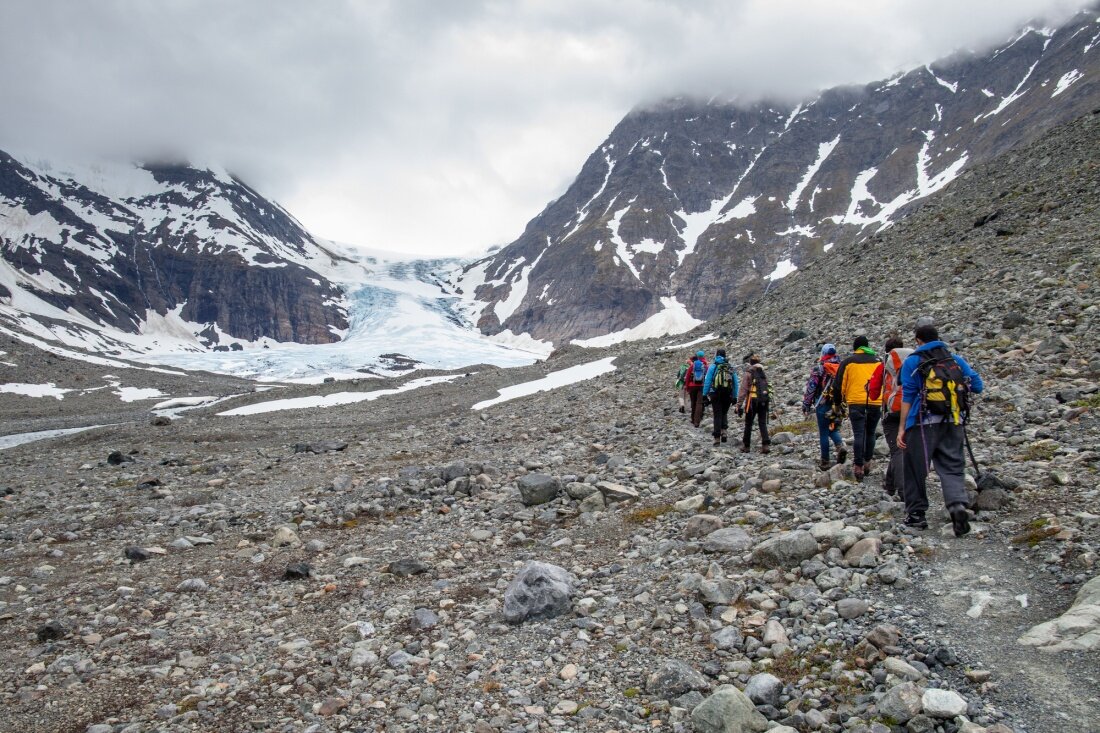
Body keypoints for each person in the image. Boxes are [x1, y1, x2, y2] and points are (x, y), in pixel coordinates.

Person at [897, 323, 984, 535]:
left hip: (921, 422)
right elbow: (977, 386)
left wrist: (902, 428)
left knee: (915, 468)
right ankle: (956, 506)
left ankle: (916, 515)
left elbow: (908, 396)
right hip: (953, 420)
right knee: (952, 465)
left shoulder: (913, 362)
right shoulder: (954, 360)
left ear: (918, 341)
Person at [833, 335, 883, 482]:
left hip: (856, 402)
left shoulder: (848, 362)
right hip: (875, 401)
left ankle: (858, 466)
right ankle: (867, 462)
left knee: (859, 434)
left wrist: (838, 403)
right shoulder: (878, 361)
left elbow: (838, 385)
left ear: (855, 348)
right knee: (871, 433)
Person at [868, 335, 912, 497]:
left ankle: (903, 491)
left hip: (893, 412)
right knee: (903, 449)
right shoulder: (914, 361)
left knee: (897, 450)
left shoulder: (885, 365)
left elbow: (873, 393)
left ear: (887, 351)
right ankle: (890, 485)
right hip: (913, 410)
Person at [802, 344, 847, 471]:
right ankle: (840, 446)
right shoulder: (842, 367)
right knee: (833, 428)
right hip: (838, 404)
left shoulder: (820, 368)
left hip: (822, 402)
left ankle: (825, 461)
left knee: (824, 432)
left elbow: (811, 387)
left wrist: (806, 404)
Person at [703, 348, 738, 446]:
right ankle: (724, 432)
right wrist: (735, 396)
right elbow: (735, 382)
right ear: (725, 355)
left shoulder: (713, 366)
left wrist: (704, 395)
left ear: (716, 355)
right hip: (728, 393)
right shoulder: (730, 366)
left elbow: (707, 381)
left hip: (715, 393)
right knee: (724, 413)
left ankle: (717, 438)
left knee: (717, 414)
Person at [737, 354, 770, 454]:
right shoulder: (762, 372)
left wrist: (739, 404)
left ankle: (746, 446)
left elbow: (743, 389)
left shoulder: (748, 373)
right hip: (764, 400)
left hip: (752, 401)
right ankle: (765, 445)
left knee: (748, 423)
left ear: (750, 363)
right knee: (762, 423)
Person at [684, 350, 708, 428]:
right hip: (701, 386)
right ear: (703, 356)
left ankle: (692, 419)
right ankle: (697, 421)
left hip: (692, 386)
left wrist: (687, 387)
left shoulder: (692, 365)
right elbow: (708, 378)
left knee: (693, 402)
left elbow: (687, 377)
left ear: (697, 356)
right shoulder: (705, 366)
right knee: (699, 403)